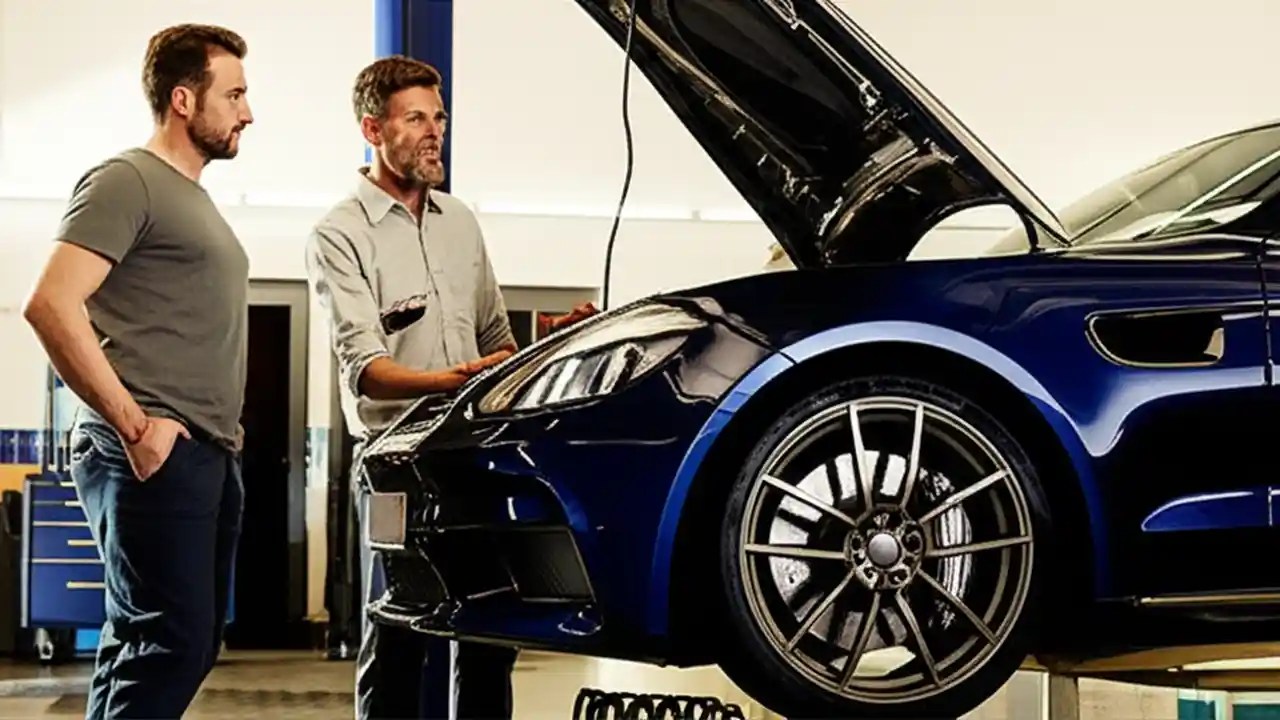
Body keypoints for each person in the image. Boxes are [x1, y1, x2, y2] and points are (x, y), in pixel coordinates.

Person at [21, 23, 254, 720]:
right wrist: (136, 427)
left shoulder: (192, 198)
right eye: (234, 94)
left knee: (171, 641)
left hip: (204, 450)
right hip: (152, 449)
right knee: (169, 642)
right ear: (183, 100)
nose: (247, 112)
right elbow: (50, 304)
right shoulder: (127, 180)